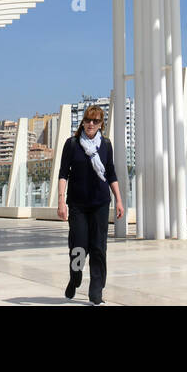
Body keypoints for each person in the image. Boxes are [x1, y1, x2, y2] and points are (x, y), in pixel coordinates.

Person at [57, 105, 123, 305]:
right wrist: (61, 200)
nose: (91, 124)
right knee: (78, 247)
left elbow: (110, 172)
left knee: (98, 248)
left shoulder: (106, 145)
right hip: (77, 204)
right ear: (83, 122)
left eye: (95, 121)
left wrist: (118, 199)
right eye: (88, 120)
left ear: (101, 123)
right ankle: (75, 277)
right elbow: (62, 173)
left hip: (100, 203)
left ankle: (96, 292)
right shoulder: (72, 144)